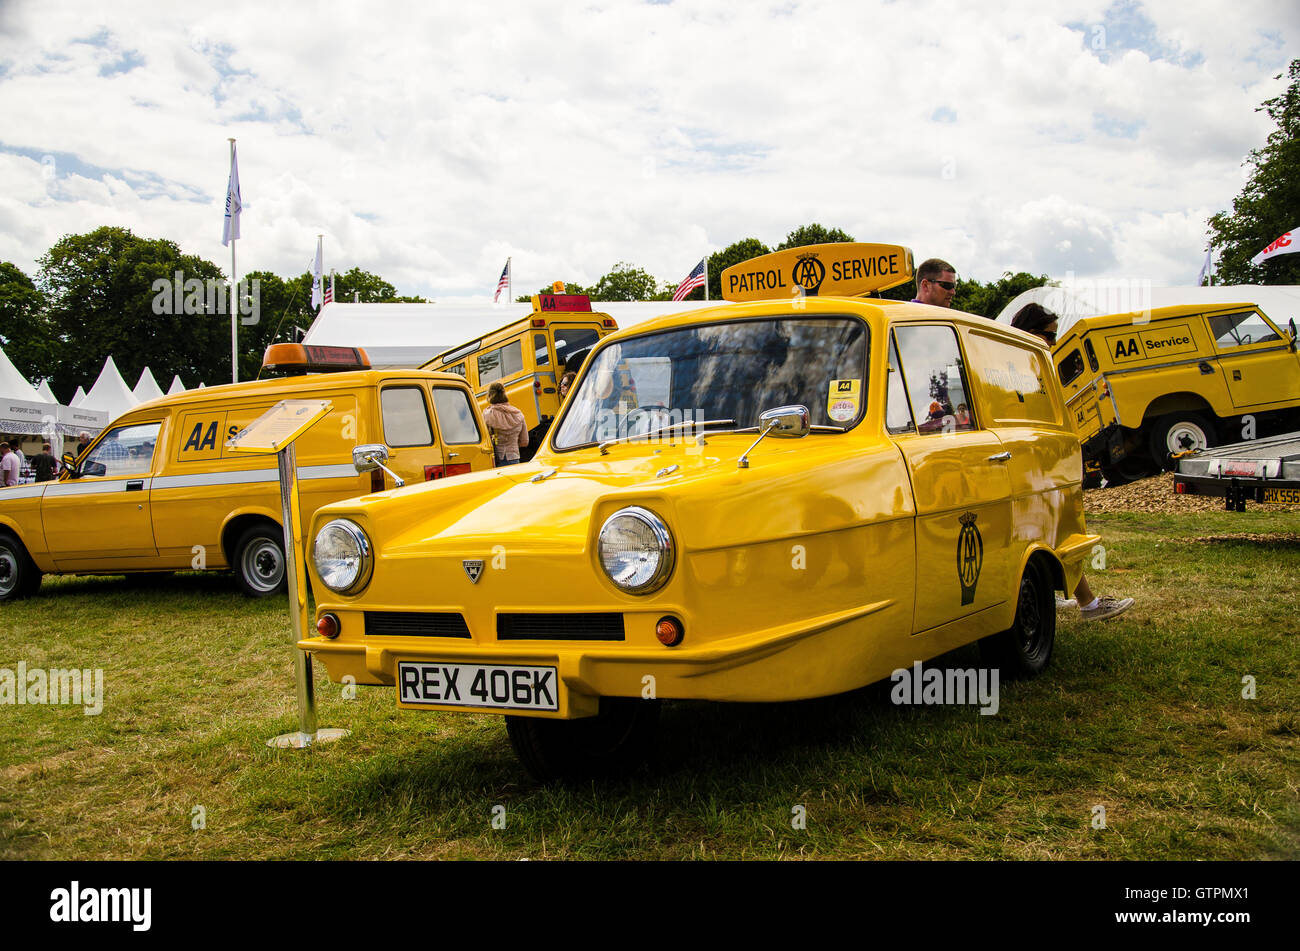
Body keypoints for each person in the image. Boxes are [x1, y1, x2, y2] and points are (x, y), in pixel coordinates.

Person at [1012, 303, 1134, 623]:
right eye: (1049, 336)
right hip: (1035, 467)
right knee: (1061, 532)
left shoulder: (1021, 366)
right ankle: (1089, 605)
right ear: (1029, 332)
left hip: (1036, 466)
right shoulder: (1022, 370)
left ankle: (1064, 599)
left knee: (1047, 533)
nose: (1053, 344)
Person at [482, 381, 528, 466]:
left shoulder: (487, 414)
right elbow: (524, 442)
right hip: (514, 457)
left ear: (489, 395)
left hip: (496, 458)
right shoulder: (517, 413)